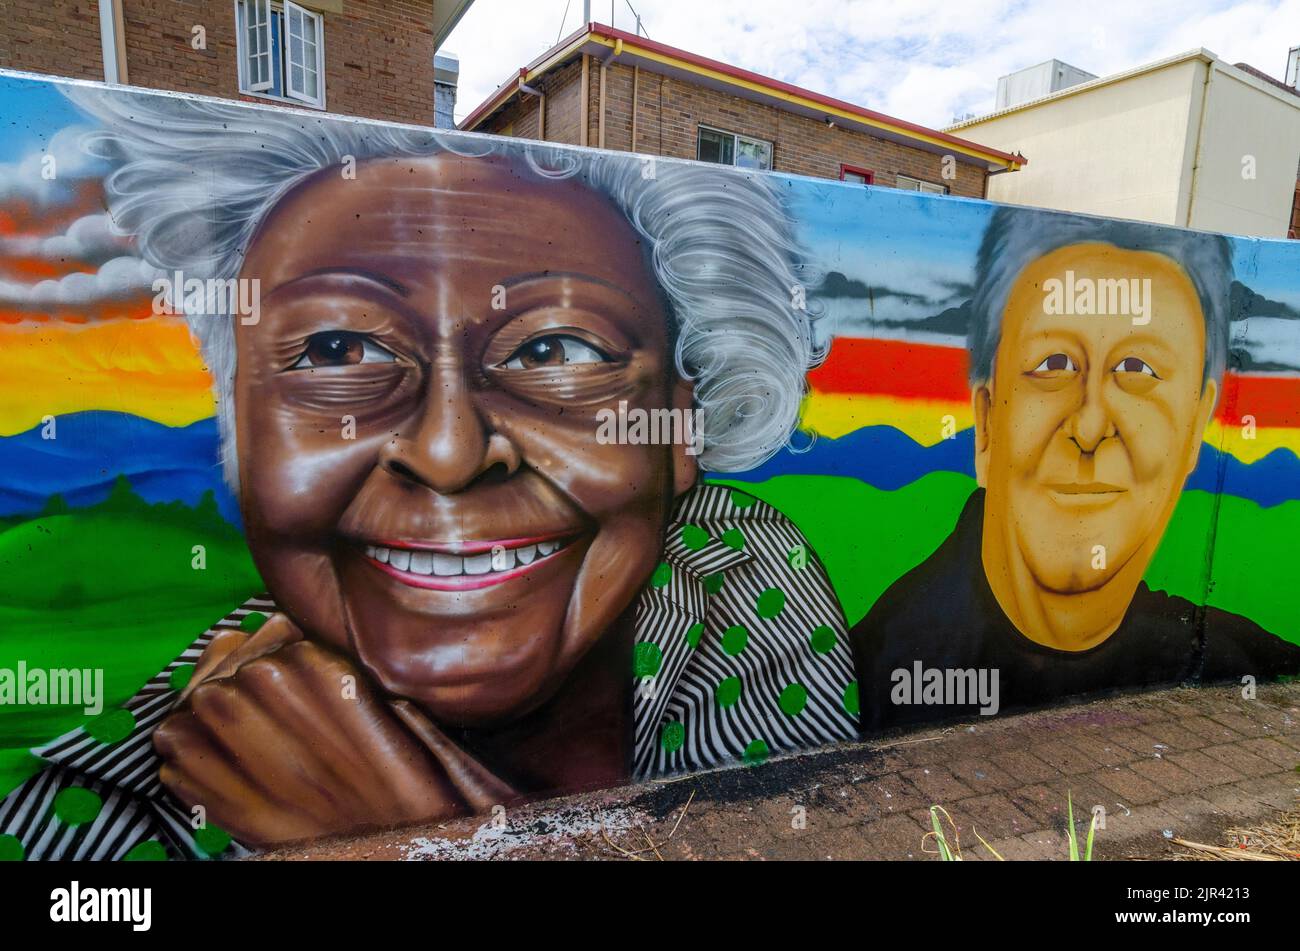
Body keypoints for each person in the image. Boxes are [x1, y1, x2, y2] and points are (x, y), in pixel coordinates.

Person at [0, 86, 858, 860]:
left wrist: (414, 834)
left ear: (681, 429)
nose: (448, 454)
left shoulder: (737, 568)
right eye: (338, 349)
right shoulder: (103, 820)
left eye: (554, 349)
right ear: (241, 429)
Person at [851, 207, 1300, 732]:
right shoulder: (866, 678)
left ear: (1196, 425)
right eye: (1053, 365)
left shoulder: (1250, 666)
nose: (1089, 427)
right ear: (987, 422)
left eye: (1138, 369)